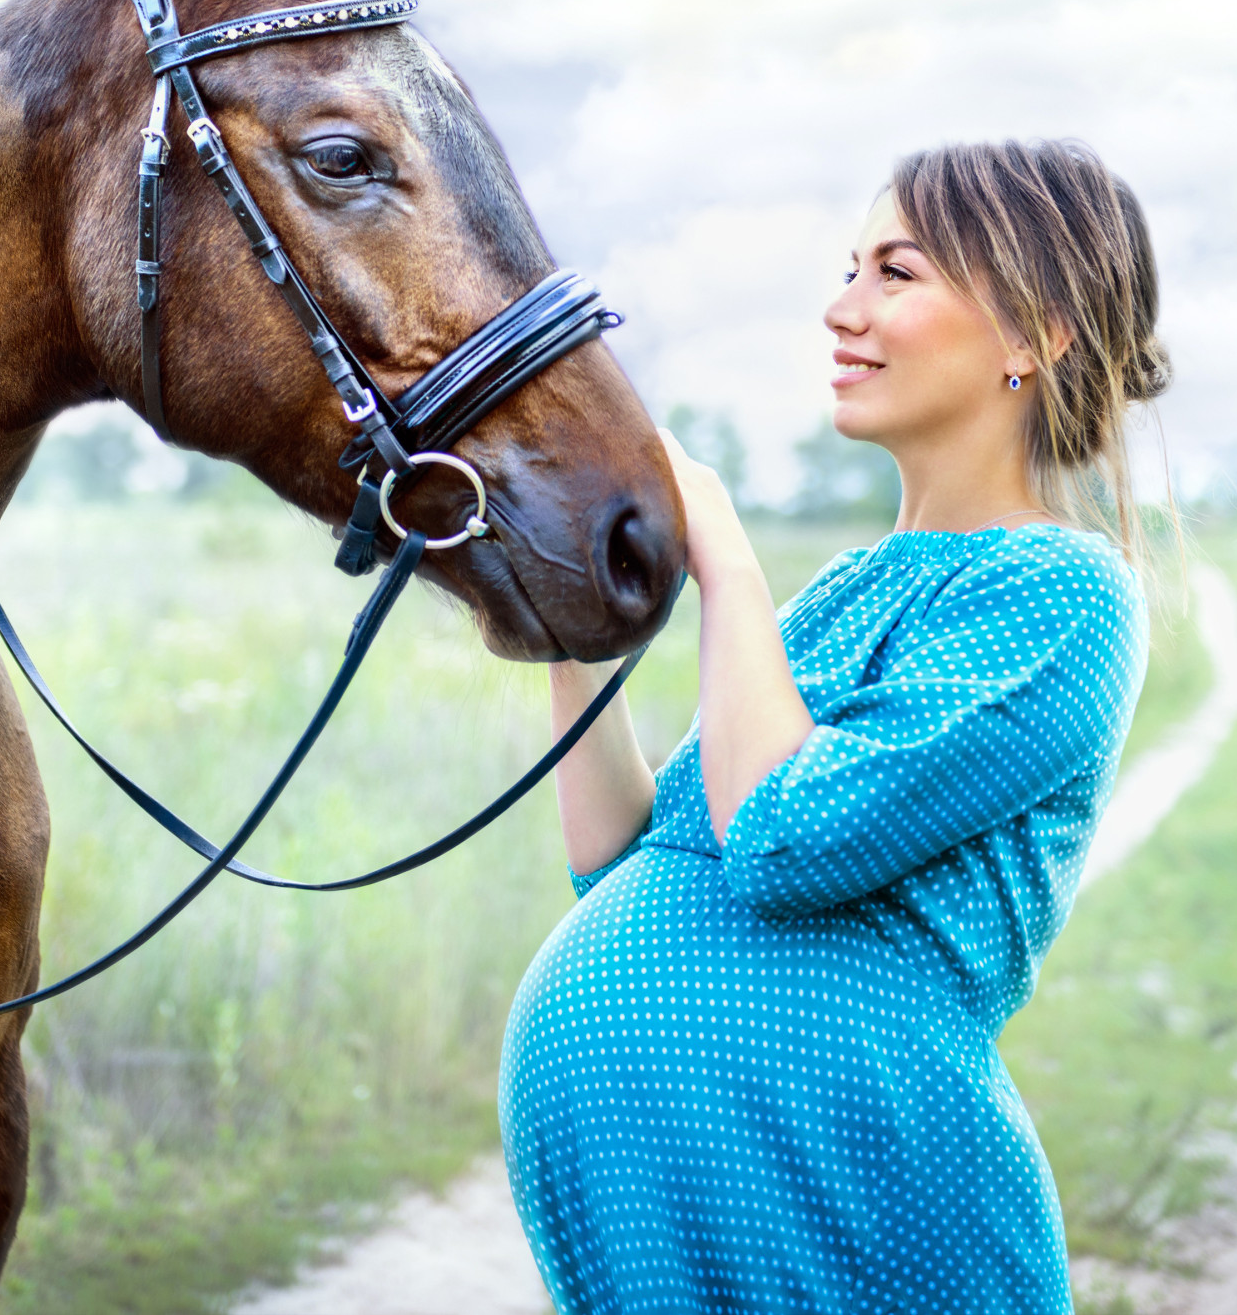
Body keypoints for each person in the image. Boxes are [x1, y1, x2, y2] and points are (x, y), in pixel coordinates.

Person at [501, 140, 1171, 1314]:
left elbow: (780, 838)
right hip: (677, 1228)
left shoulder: (1066, 595)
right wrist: (568, 626)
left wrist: (723, 553)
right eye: (847, 267)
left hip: (863, 1217)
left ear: (1037, 335)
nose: (841, 308)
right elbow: (625, 857)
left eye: (893, 274)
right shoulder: (852, 590)